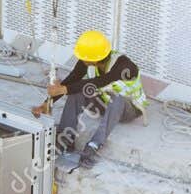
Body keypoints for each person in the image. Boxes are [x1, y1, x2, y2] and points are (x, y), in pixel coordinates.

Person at [31, 30, 146, 168]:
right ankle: (66, 139)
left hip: (129, 109)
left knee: (117, 97)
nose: (81, 58)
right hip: (104, 104)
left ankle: (94, 145)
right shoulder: (89, 61)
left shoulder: (125, 66)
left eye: (84, 56)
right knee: (77, 91)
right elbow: (73, 78)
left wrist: (64, 89)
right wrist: (48, 102)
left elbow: (101, 81)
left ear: (95, 58)